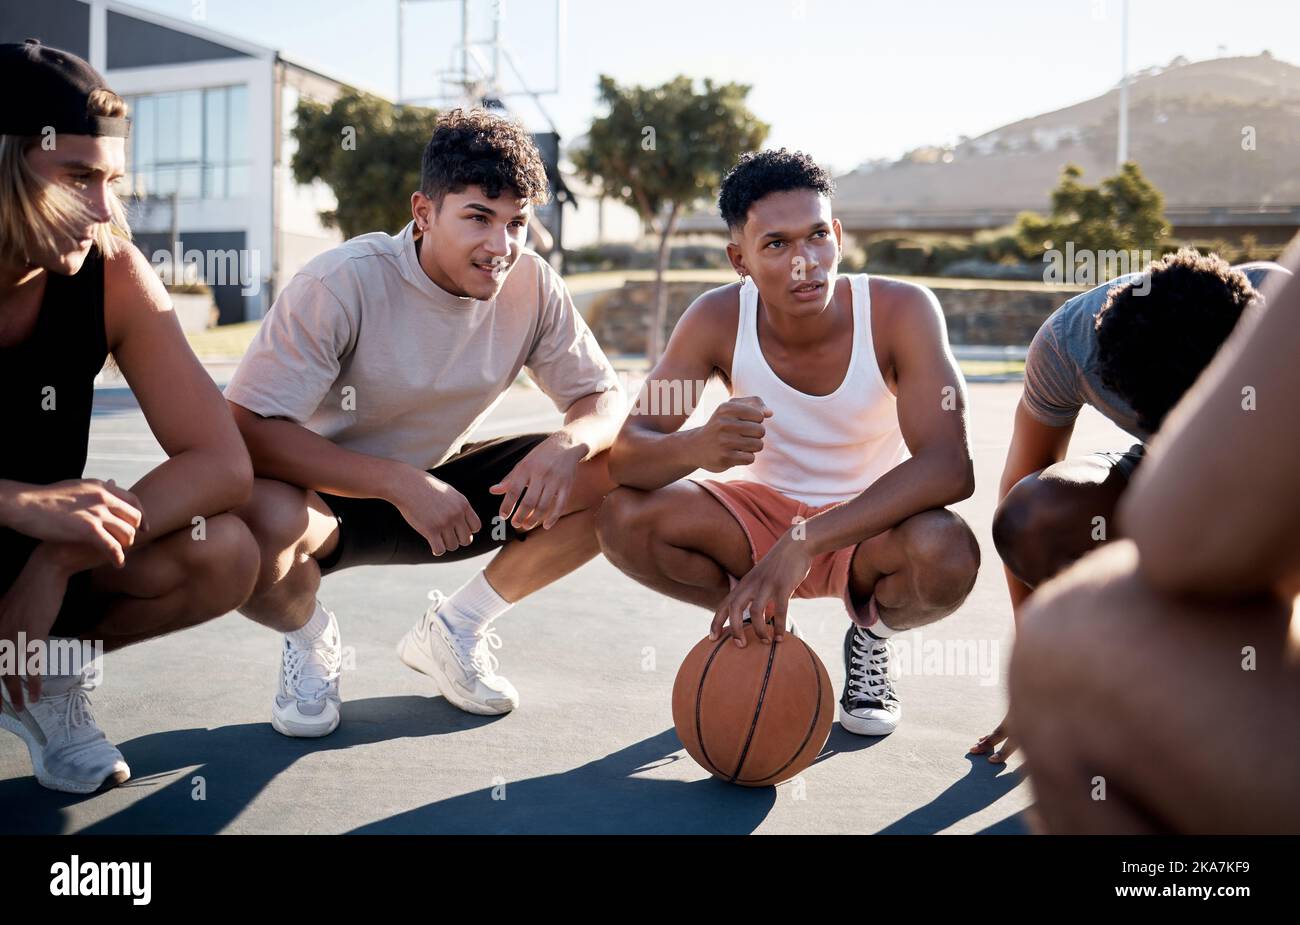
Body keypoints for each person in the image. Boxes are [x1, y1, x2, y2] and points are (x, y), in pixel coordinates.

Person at [226, 108, 624, 738]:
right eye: (478, 218)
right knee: (247, 527)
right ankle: (309, 640)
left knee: (613, 472)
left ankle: (457, 628)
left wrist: (567, 444)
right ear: (423, 212)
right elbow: (245, 428)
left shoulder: (532, 284)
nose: (501, 247)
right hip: (326, 498)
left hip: (449, 491)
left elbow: (602, 399)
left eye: (517, 224)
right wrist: (395, 483)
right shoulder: (341, 282)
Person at [597, 149, 980, 737]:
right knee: (624, 518)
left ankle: (871, 636)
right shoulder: (716, 321)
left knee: (947, 550)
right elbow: (630, 453)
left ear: (839, 236)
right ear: (739, 259)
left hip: (868, 521)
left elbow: (950, 468)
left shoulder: (901, 311)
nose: (805, 263)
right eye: (776, 245)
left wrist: (804, 542)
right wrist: (697, 445)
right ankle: (762, 622)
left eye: (817, 236)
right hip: (757, 517)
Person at [0, 40, 259, 793]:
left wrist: (57, 557)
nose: (105, 210)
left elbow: (222, 462)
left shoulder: (111, 272)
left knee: (226, 550)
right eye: (78, 178)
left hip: (34, 556)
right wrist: (19, 504)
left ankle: (41, 672)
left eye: (112, 179)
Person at [1008, 244, 1300, 832]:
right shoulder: (1069, 344)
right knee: (1037, 518)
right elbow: (1019, 483)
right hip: (1171, 473)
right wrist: (1032, 676)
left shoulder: (1276, 326)